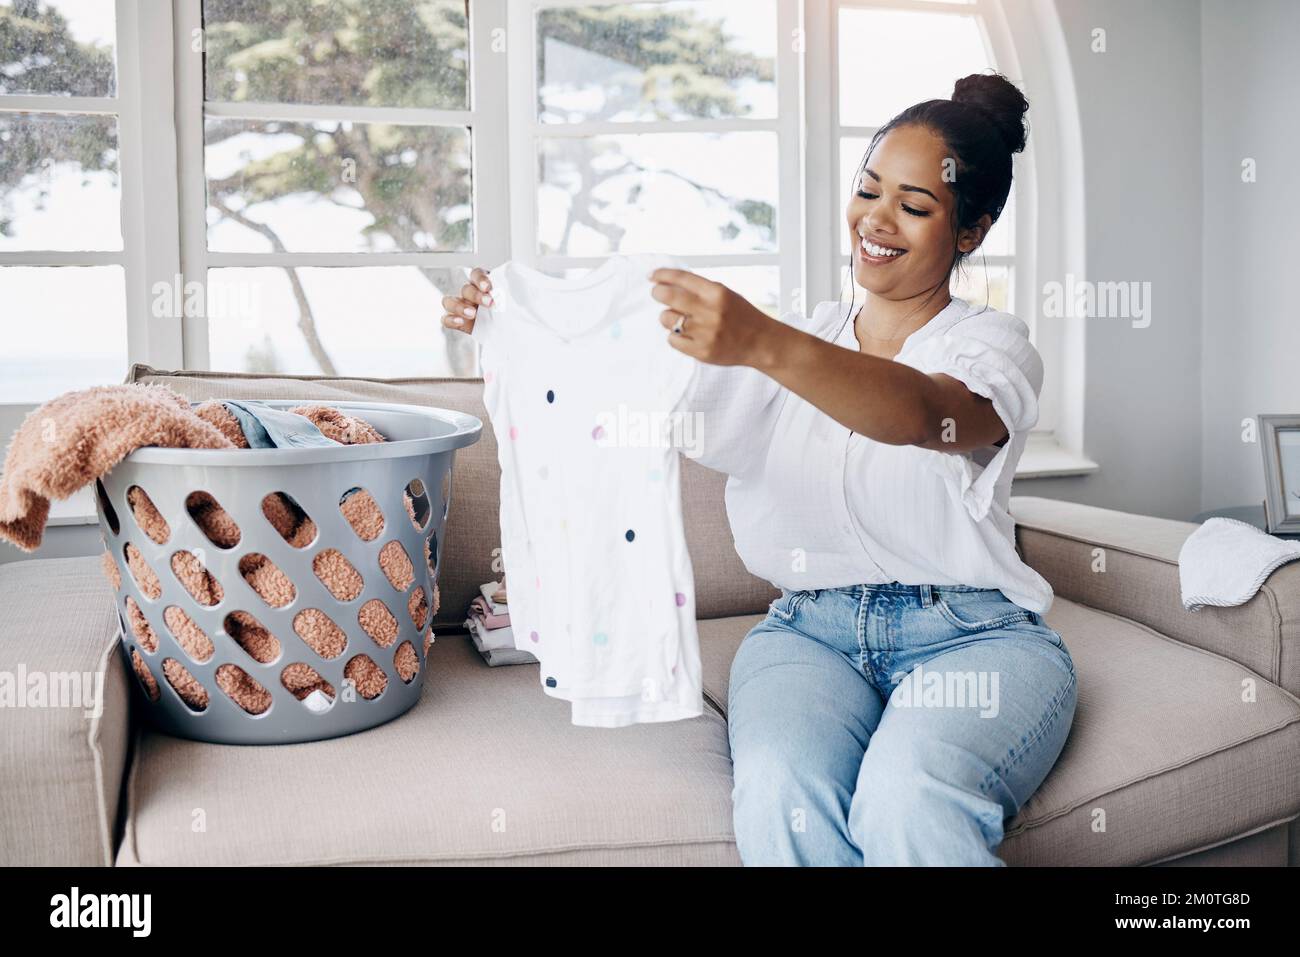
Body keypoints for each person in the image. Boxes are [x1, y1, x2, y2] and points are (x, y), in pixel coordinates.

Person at [441, 71, 1076, 866]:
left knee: (907, 800)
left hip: (972, 637)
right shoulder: (791, 345)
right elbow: (627, 387)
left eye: (915, 207)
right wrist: (514, 321)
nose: (877, 221)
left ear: (971, 233)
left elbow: (920, 414)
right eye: (869, 191)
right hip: (808, 637)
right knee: (783, 798)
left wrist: (763, 342)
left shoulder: (992, 347)